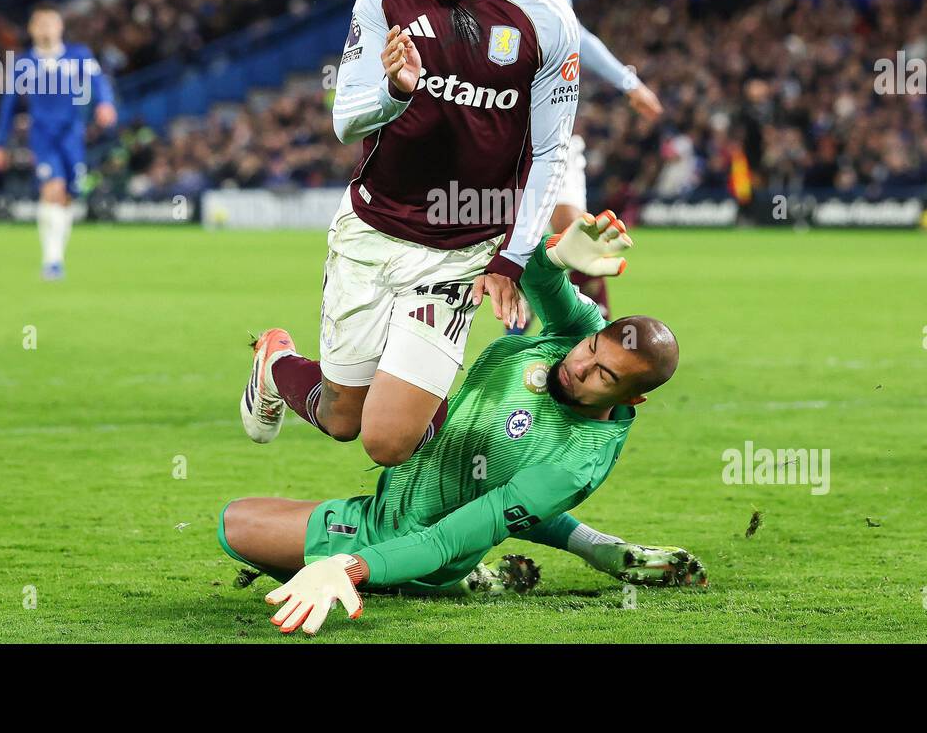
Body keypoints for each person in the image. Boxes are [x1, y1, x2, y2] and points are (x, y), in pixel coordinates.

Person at [253, 0, 582, 469]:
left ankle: (428, 535)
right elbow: (346, 117)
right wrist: (395, 92)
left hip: (461, 250)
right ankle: (276, 364)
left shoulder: (546, 17)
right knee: (344, 418)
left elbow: (548, 152)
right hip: (374, 231)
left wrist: (510, 260)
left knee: (387, 441)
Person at [222, 211, 702, 636]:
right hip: (413, 463)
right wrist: (556, 256)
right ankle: (459, 577)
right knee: (407, 400)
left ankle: (429, 581)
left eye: (604, 375)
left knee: (235, 524)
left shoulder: (575, 463)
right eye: (592, 351)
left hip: (396, 535)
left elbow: (451, 536)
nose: (580, 366)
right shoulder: (576, 336)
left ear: (630, 397)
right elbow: (537, 279)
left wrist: (351, 567)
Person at [490, 0, 663, 321]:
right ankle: (515, 355)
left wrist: (629, 83)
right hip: (496, 144)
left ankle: (597, 335)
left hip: (552, 140)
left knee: (576, 237)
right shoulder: (471, 1)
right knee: (509, 251)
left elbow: (582, 40)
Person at [0, 2, 116, 279]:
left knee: (68, 196)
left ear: (60, 26)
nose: (46, 28)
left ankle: (56, 254)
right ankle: (52, 261)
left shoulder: (79, 55)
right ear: (32, 29)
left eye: (51, 22)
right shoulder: (24, 63)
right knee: (53, 188)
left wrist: (105, 104)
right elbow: (8, 105)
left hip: (72, 136)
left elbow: (99, 82)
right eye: (40, 23)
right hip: (42, 136)